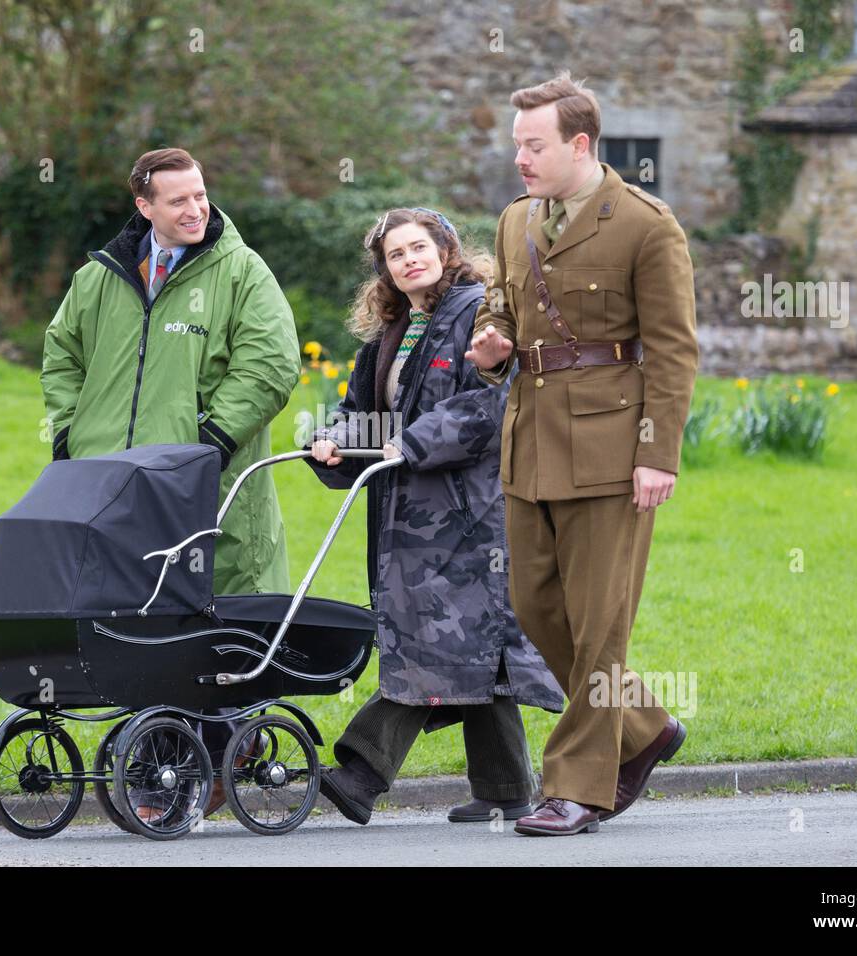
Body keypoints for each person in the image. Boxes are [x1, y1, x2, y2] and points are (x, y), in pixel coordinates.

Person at [465, 72, 698, 836]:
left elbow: (672, 351)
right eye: (516, 145)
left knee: (601, 626)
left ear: (580, 144)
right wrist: (492, 345)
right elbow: (504, 306)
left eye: (534, 146)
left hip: (613, 448)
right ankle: (646, 729)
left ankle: (577, 787)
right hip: (529, 443)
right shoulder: (514, 220)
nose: (520, 159)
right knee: (536, 609)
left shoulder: (645, 224)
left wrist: (657, 452)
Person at [41, 147, 301, 818]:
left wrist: (210, 443)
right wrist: (70, 436)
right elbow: (61, 355)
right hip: (113, 491)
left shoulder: (241, 271)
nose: (196, 209)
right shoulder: (99, 279)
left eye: (201, 194)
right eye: (178, 199)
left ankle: (215, 765)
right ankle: (157, 761)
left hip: (208, 489)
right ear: (144, 206)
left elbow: (271, 364)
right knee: (135, 623)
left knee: (212, 626)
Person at [306, 207, 564, 825]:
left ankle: (360, 776)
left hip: (471, 514)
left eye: (418, 248)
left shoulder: (479, 313)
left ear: (447, 250)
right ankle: (506, 790)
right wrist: (337, 438)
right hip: (407, 513)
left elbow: (492, 402)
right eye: (395, 256)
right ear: (386, 272)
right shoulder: (390, 333)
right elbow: (364, 411)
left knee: (435, 636)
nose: (408, 261)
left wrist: (414, 442)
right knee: (474, 644)